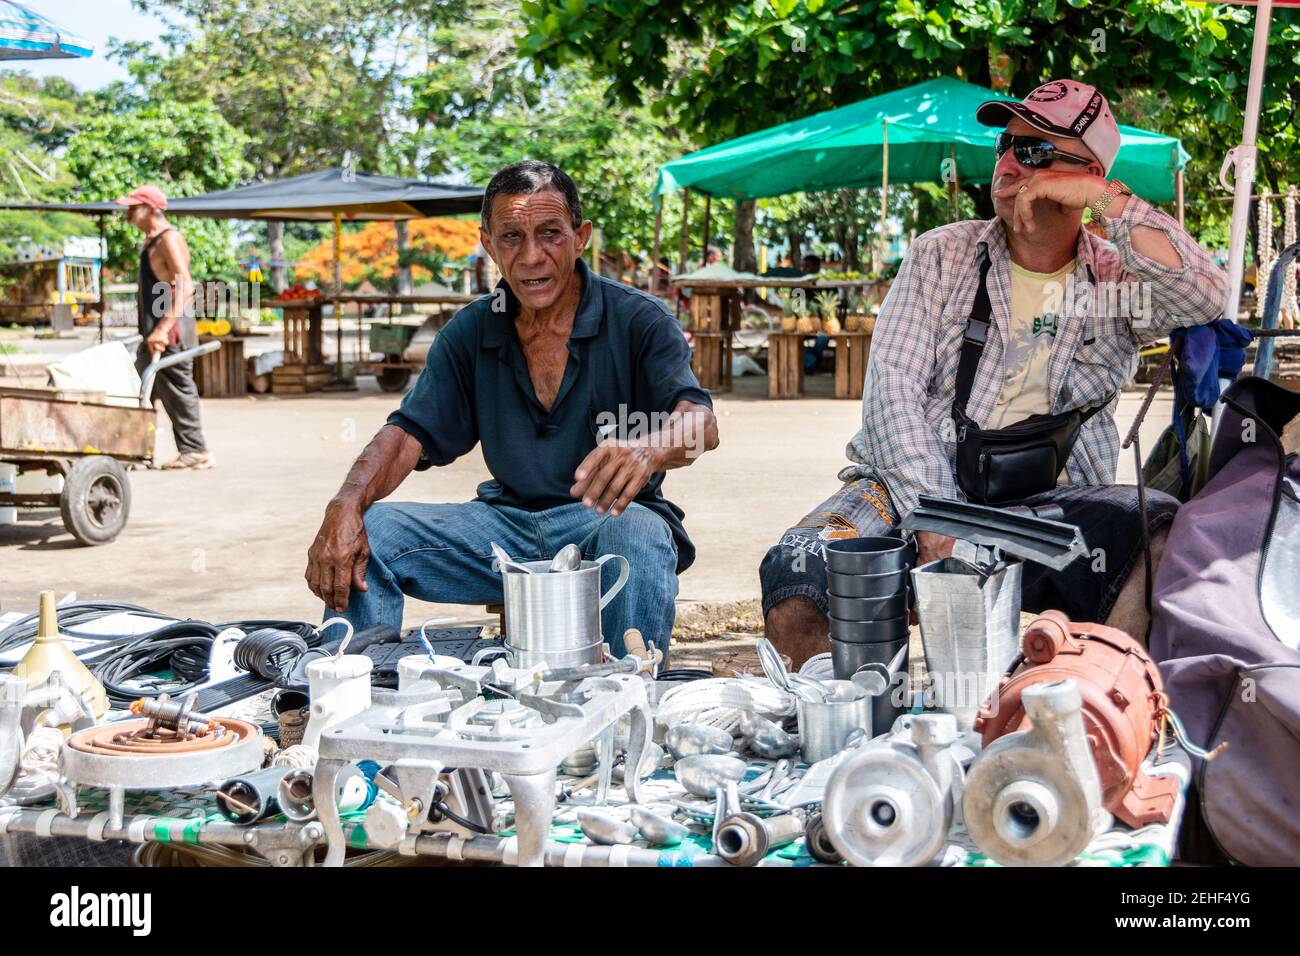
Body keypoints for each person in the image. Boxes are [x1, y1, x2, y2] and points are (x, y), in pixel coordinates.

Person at [760, 79, 1227, 666]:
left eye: (1032, 152)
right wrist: (938, 517)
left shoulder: (1115, 283)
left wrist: (1107, 199)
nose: (1006, 164)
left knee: (1158, 535)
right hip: (916, 485)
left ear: (1083, 174)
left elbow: (1207, 299)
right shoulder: (941, 254)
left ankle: (1095, 705)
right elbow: (891, 398)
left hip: (1050, 500)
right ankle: (855, 740)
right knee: (800, 565)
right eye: (1004, 146)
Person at [305, 161, 719, 659]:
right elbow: (407, 434)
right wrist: (345, 503)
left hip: (605, 522)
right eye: (511, 238)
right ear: (487, 243)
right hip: (502, 531)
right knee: (369, 532)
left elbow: (702, 424)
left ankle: (628, 704)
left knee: (641, 531)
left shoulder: (638, 319)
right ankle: (345, 697)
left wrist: (648, 450)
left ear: (581, 236)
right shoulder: (473, 330)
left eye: (550, 234)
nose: (530, 257)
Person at [116, 185, 213, 470]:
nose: (129, 213)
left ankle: (196, 451)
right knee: (141, 387)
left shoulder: (169, 239)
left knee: (178, 389)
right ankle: (133, 451)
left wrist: (161, 329)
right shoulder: (150, 241)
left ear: (151, 209)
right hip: (154, 329)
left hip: (171, 330)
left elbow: (185, 285)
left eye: (134, 207)